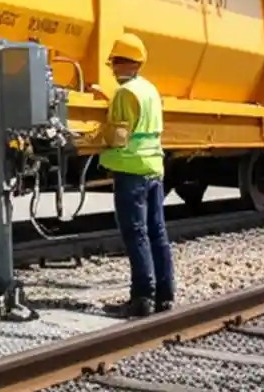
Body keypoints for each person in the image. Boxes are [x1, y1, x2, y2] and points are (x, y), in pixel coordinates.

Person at [99, 32, 175, 318]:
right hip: (154, 166)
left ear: (123, 63)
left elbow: (118, 134)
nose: (112, 69)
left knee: (136, 233)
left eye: (114, 63)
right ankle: (165, 295)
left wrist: (94, 137)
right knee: (157, 231)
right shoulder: (149, 89)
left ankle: (142, 297)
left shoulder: (124, 93)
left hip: (130, 169)